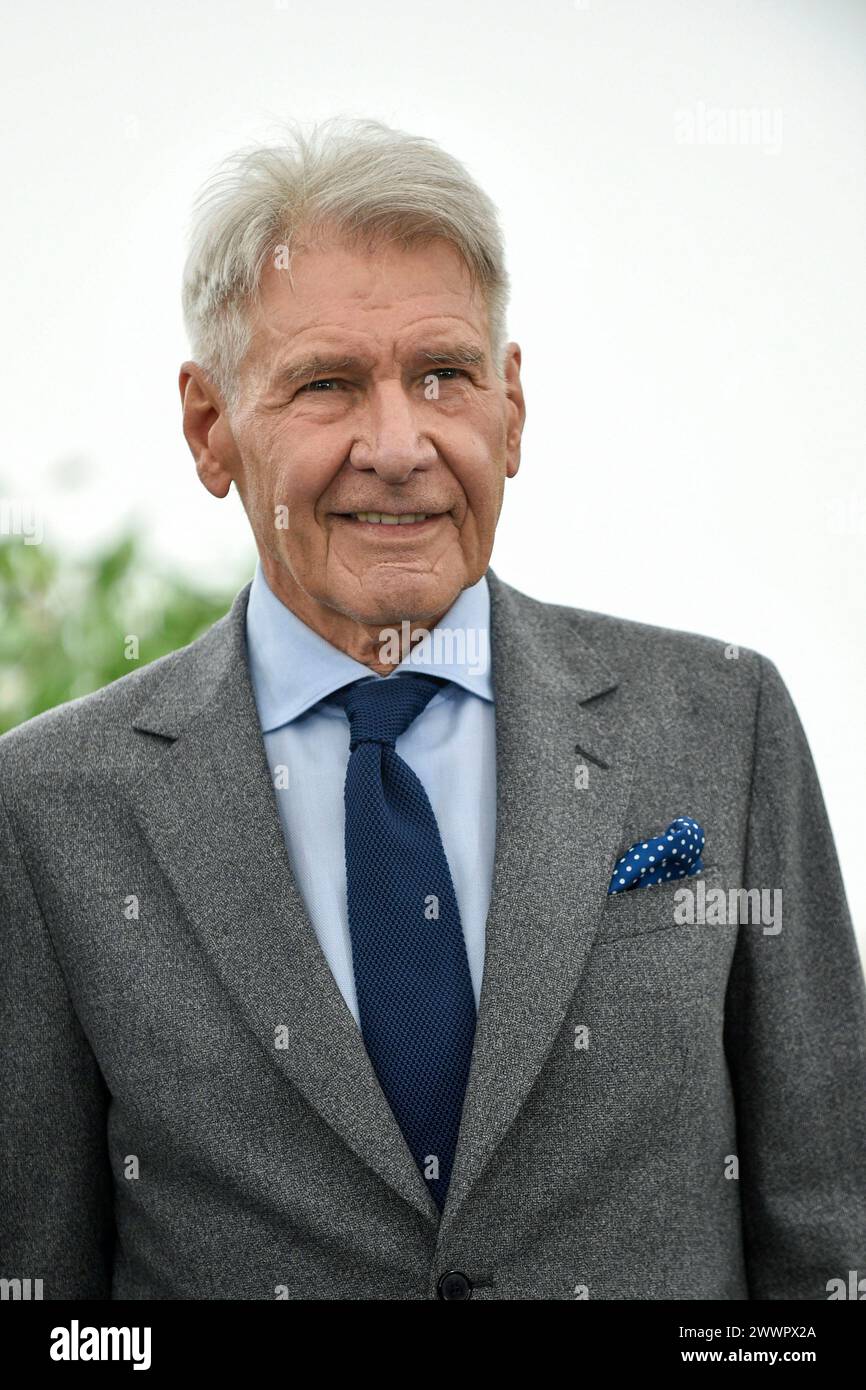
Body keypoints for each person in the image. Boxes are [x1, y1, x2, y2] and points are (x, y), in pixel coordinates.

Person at [2, 117, 864, 1300]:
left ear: (510, 409)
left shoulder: (724, 724)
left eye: (443, 375)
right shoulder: (48, 808)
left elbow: (831, 1235)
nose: (398, 445)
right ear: (210, 428)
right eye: (326, 384)